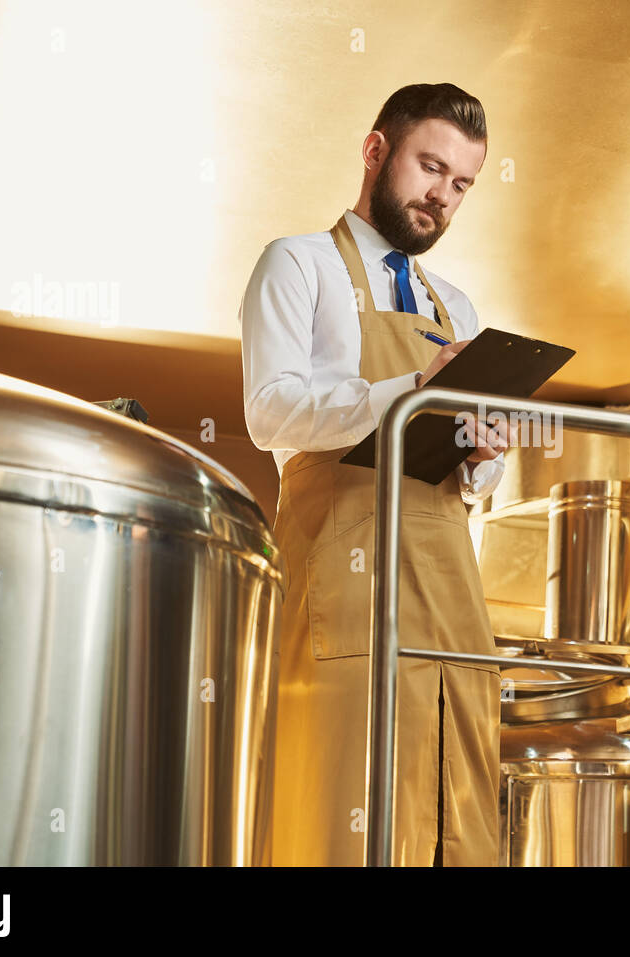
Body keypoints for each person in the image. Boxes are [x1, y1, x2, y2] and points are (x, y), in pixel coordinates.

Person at [239, 82, 509, 866]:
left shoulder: (455, 306)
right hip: (344, 585)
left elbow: (470, 490)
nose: (443, 195)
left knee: (453, 814)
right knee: (339, 810)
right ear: (375, 151)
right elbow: (270, 412)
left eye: (461, 184)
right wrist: (410, 393)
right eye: (431, 167)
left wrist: (483, 457)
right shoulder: (297, 265)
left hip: (449, 593)